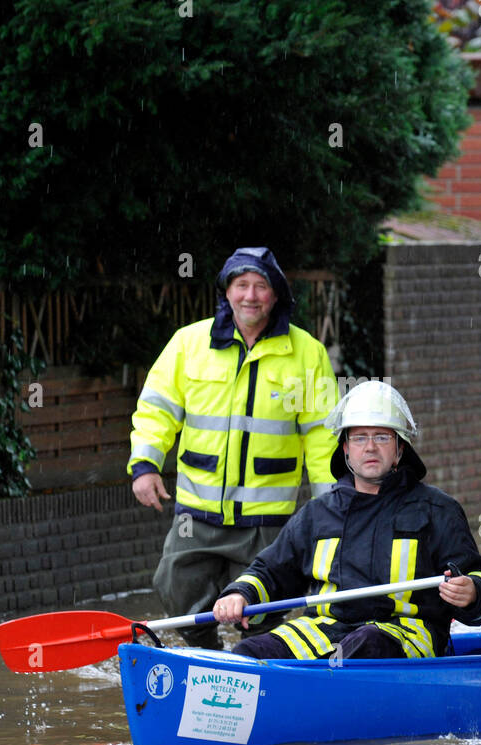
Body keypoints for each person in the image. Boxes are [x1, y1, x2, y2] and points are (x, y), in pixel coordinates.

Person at [128, 247, 338, 649]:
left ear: (276, 296)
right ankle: (204, 655)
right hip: (196, 513)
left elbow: (321, 435)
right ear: (226, 292)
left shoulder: (306, 352)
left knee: (265, 607)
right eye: (241, 285)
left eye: (261, 286)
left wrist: (329, 506)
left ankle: (254, 658)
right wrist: (145, 465)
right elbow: (157, 409)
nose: (251, 296)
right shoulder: (188, 343)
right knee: (176, 592)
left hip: (266, 519)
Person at [211, 380, 481, 660]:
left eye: (381, 437)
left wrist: (471, 591)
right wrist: (241, 594)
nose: (370, 447)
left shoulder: (437, 510)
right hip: (325, 631)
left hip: (407, 632)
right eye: (359, 437)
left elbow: (479, 579)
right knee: (249, 652)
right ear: (345, 448)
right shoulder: (317, 514)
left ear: (400, 448)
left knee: (364, 646)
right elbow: (272, 571)